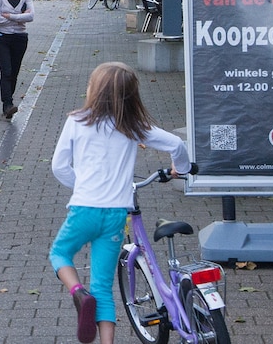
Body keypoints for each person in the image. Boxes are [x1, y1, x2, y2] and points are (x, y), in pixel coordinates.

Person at [49, 62, 191, 344]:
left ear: (94, 90)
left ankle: (77, 291)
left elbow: (59, 167)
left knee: (60, 254)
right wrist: (182, 170)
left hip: (84, 210)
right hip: (116, 215)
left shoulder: (77, 121)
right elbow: (176, 144)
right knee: (102, 287)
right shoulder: (132, 126)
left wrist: (84, 187)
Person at [0, 0, 35, 119]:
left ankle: (8, 101)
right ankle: (7, 103)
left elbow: (31, 16)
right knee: (6, 70)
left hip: (20, 38)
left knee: (14, 72)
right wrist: (20, 17)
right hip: (2, 37)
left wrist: (10, 16)